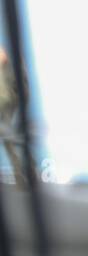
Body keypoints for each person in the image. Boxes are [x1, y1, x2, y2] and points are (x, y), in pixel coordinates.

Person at [0, 48, 27, 186]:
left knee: (10, 140)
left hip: (8, 107)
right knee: (9, 140)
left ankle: (22, 174)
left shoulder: (12, 67)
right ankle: (23, 174)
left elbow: (21, 87)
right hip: (4, 107)